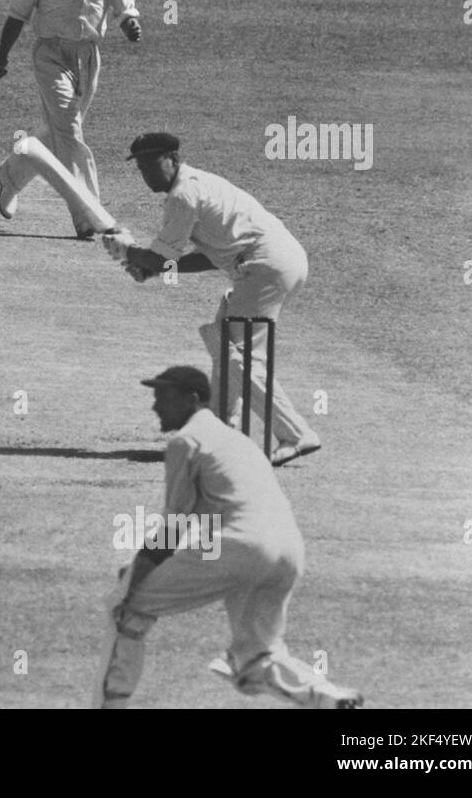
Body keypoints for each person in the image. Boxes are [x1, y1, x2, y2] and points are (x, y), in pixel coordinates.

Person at [92, 366, 363, 709]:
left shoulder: (185, 440)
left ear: (192, 399)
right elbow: (212, 525)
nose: (155, 407)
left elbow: (174, 527)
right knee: (257, 657)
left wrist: (134, 578)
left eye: (163, 397)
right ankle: (327, 698)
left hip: (243, 547)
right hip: (288, 551)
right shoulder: (237, 440)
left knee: (128, 611)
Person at [105, 133, 321, 466]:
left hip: (264, 266)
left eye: (153, 163)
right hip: (272, 262)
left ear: (173, 160)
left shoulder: (184, 194)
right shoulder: (194, 188)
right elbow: (208, 256)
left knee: (237, 355)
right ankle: (220, 435)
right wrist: (153, 268)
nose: (147, 173)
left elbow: (159, 258)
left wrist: (126, 250)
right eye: (142, 167)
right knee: (225, 346)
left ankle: (294, 433)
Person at [0, 0, 140, 239]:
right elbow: (17, 15)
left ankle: (9, 176)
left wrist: (131, 25)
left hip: (88, 58)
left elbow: (126, 10)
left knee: (56, 131)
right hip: (51, 56)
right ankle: (90, 215)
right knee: (71, 133)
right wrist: (2, 57)